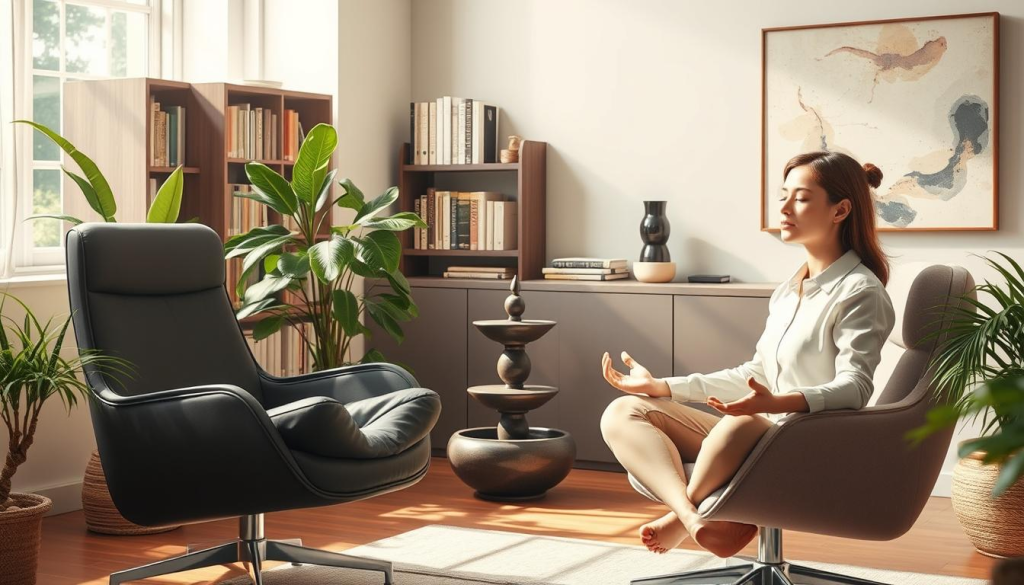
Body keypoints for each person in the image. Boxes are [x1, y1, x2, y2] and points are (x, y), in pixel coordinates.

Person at [599, 151, 896, 558]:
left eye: (801, 198)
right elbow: (754, 373)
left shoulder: (861, 292)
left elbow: (856, 387)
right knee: (623, 411)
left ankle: (683, 520)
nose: (784, 208)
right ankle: (692, 517)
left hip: (808, 443)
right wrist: (663, 386)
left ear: (840, 210)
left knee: (740, 424)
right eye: (783, 195)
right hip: (761, 433)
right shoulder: (790, 290)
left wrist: (778, 403)